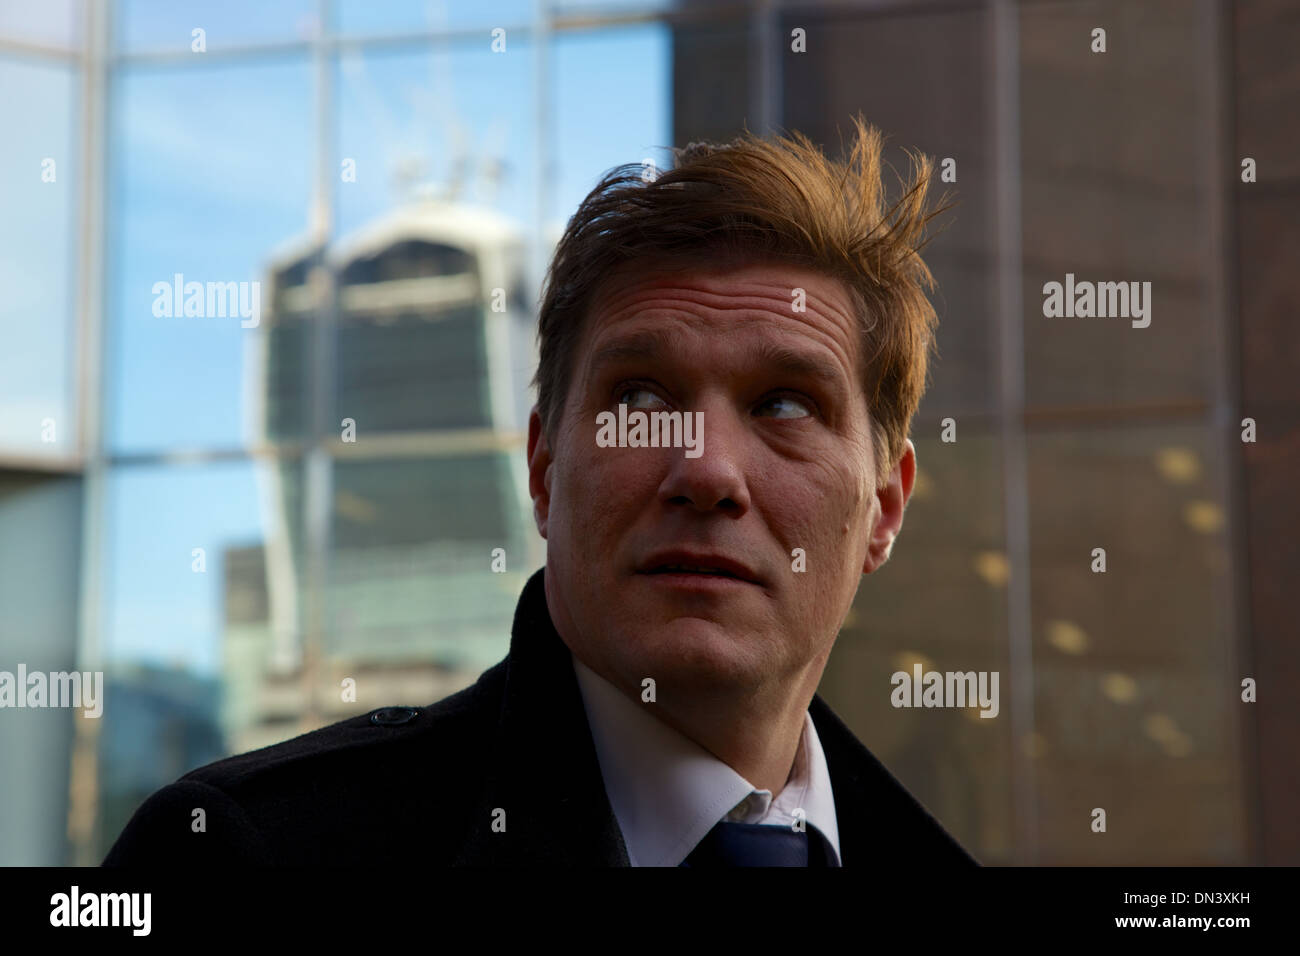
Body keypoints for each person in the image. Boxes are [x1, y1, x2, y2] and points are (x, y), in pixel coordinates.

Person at [104, 115, 975, 867]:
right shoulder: (236, 855)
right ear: (544, 470)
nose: (705, 469)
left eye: (785, 404)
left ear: (884, 508)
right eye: (639, 398)